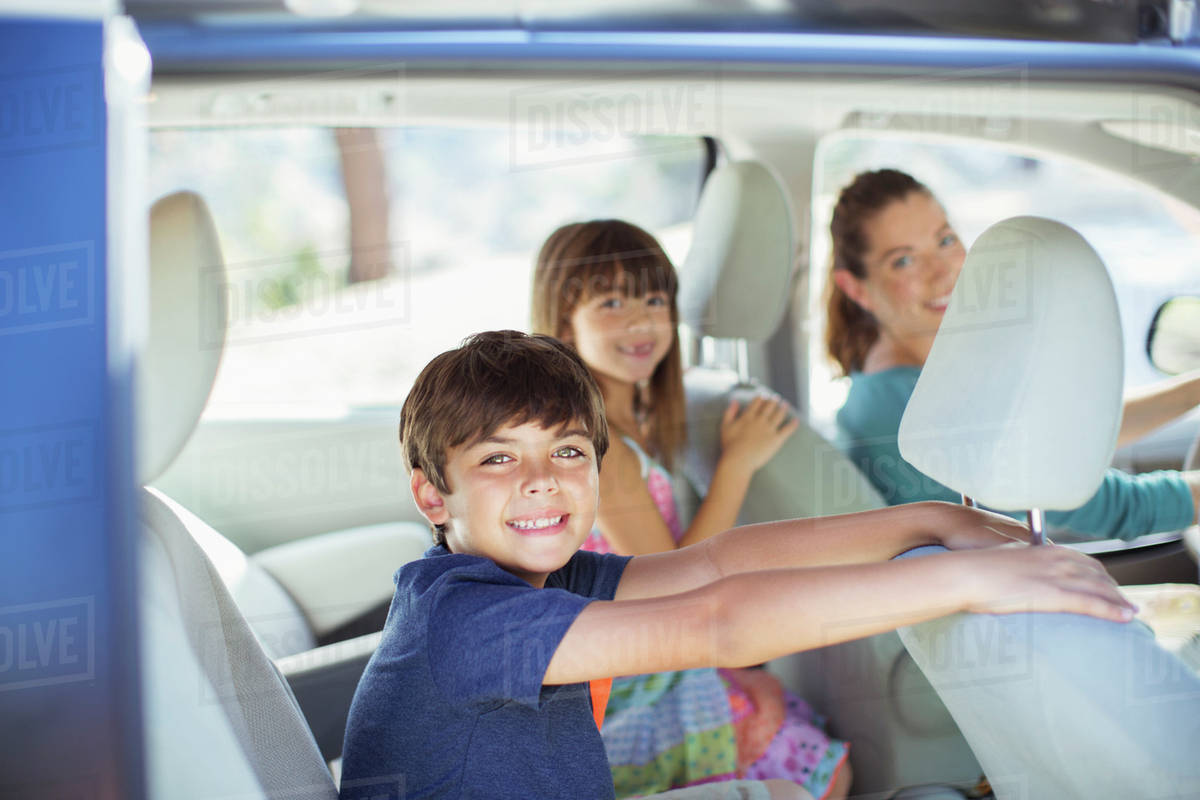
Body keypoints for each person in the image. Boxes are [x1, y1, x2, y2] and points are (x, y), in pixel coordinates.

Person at [337, 329, 1135, 800]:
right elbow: (721, 622)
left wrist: (932, 519)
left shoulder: (538, 577)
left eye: (568, 451)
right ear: (432, 497)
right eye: (498, 459)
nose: (541, 478)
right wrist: (967, 578)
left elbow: (718, 565)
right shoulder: (467, 619)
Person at [532, 219, 849, 800]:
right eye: (611, 302)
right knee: (819, 771)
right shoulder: (601, 449)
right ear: (563, 324)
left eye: (655, 299)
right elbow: (675, 577)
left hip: (655, 649)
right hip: (623, 683)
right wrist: (738, 463)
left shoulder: (639, 422)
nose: (641, 321)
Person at [825, 168, 1200, 537]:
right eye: (904, 260)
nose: (943, 272)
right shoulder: (910, 410)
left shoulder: (897, 385)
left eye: (945, 241)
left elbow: (1071, 433)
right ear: (855, 288)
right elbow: (1125, 508)